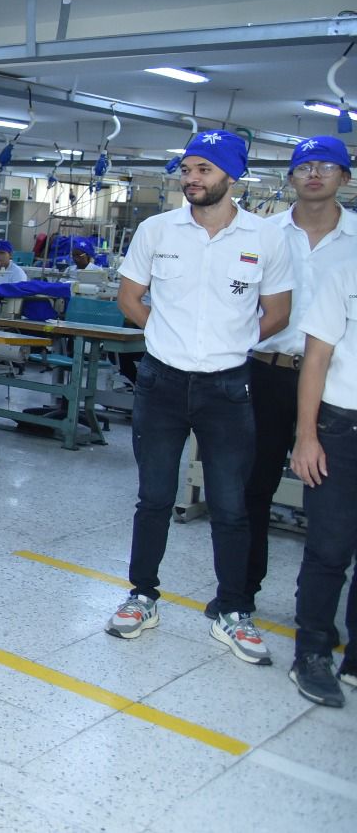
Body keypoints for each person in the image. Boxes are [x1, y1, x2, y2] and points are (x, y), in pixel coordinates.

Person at [108, 129, 292, 666]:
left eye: (203, 170)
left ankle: (233, 610)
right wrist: (167, 335)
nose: (191, 179)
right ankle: (142, 595)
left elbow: (277, 310)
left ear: (230, 177)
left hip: (228, 387)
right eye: (186, 169)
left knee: (232, 506)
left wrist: (231, 344)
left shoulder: (265, 238)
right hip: (161, 383)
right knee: (155, 496)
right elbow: (129, 296)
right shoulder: (156, 229)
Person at [237, 136, 357, 625]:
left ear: (344, 179)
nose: (314, 174)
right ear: (290, 177)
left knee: (330, 497)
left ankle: (316, 611)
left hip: (336, 388)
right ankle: (241, 593)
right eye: (304, 166)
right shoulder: (263, 234)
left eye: (327, 167)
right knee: (253, 487)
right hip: (269, 373)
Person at [286, 243, 357, 706]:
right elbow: (316, 358)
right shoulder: (347, 273)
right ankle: (311, 652)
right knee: (329, 549)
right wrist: (306, 435)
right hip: (343, 428)